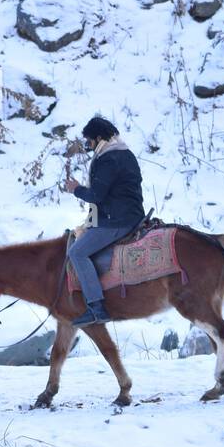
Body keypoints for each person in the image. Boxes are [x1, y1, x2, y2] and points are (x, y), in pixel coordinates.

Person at [61, 117, 145, 326]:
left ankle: (96, 306)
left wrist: (76, 189)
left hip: (117, 220)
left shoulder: (107, 158)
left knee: (76, 252)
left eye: (89, 141)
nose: (89, 146)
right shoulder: (126, 153)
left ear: (98, 137)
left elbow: (96, 195)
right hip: (132, 214)